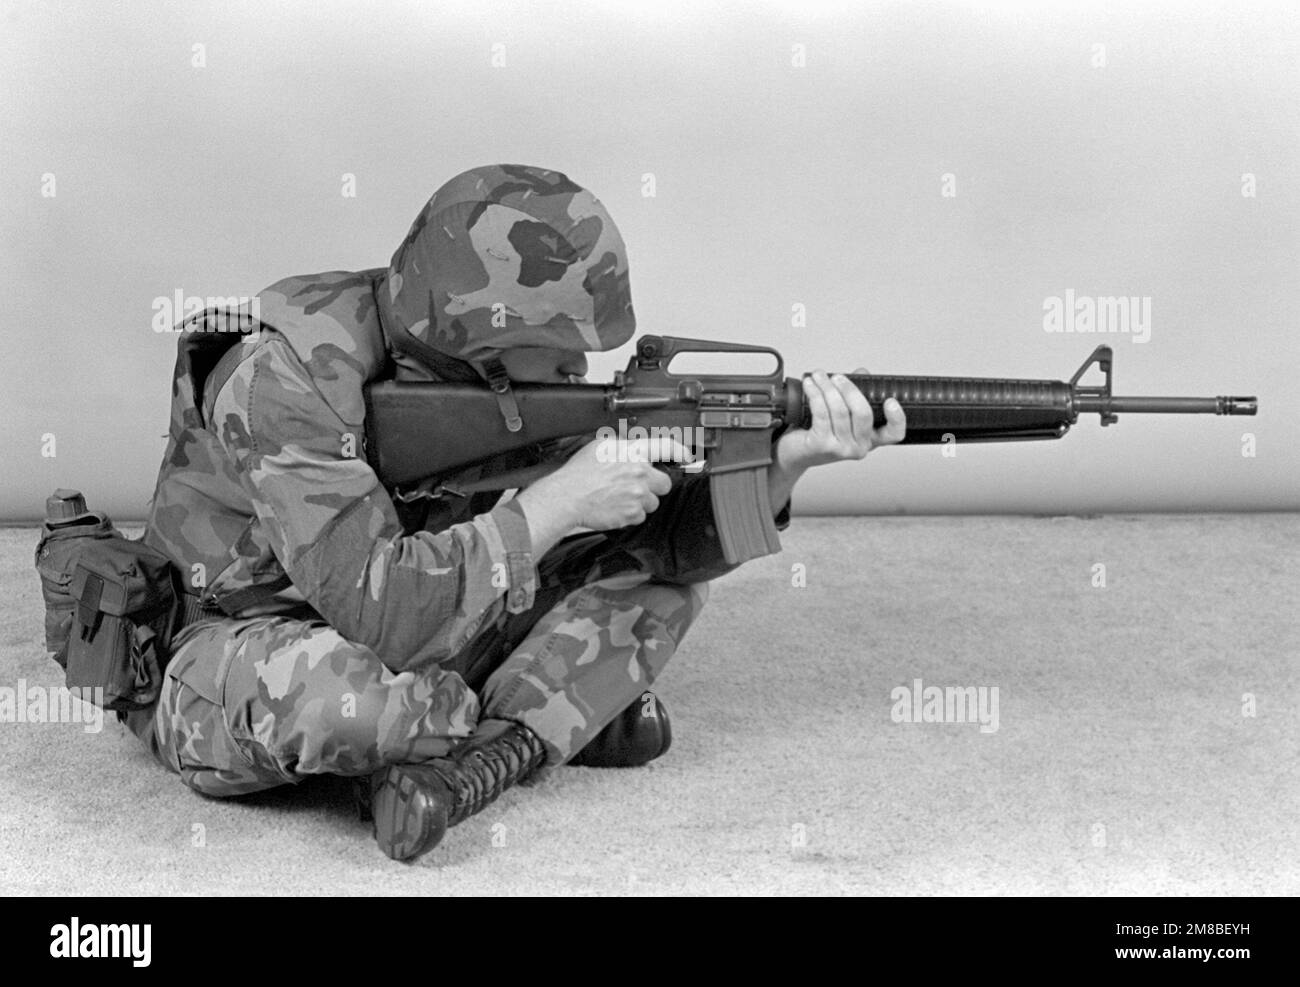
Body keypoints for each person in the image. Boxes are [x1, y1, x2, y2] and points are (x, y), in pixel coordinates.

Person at [126, 163, 906, 861]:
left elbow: (672, 547)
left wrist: (787, 462)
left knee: (660, 581)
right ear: (483, 344)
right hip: (232, 642)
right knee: (349, 700)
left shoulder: (462, 366)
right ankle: (524, 719)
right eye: (561, 350)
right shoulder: (281, 375)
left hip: (425, 603)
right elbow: (380, 612)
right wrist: (558, 503)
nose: (581, 369)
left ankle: (459, 759)